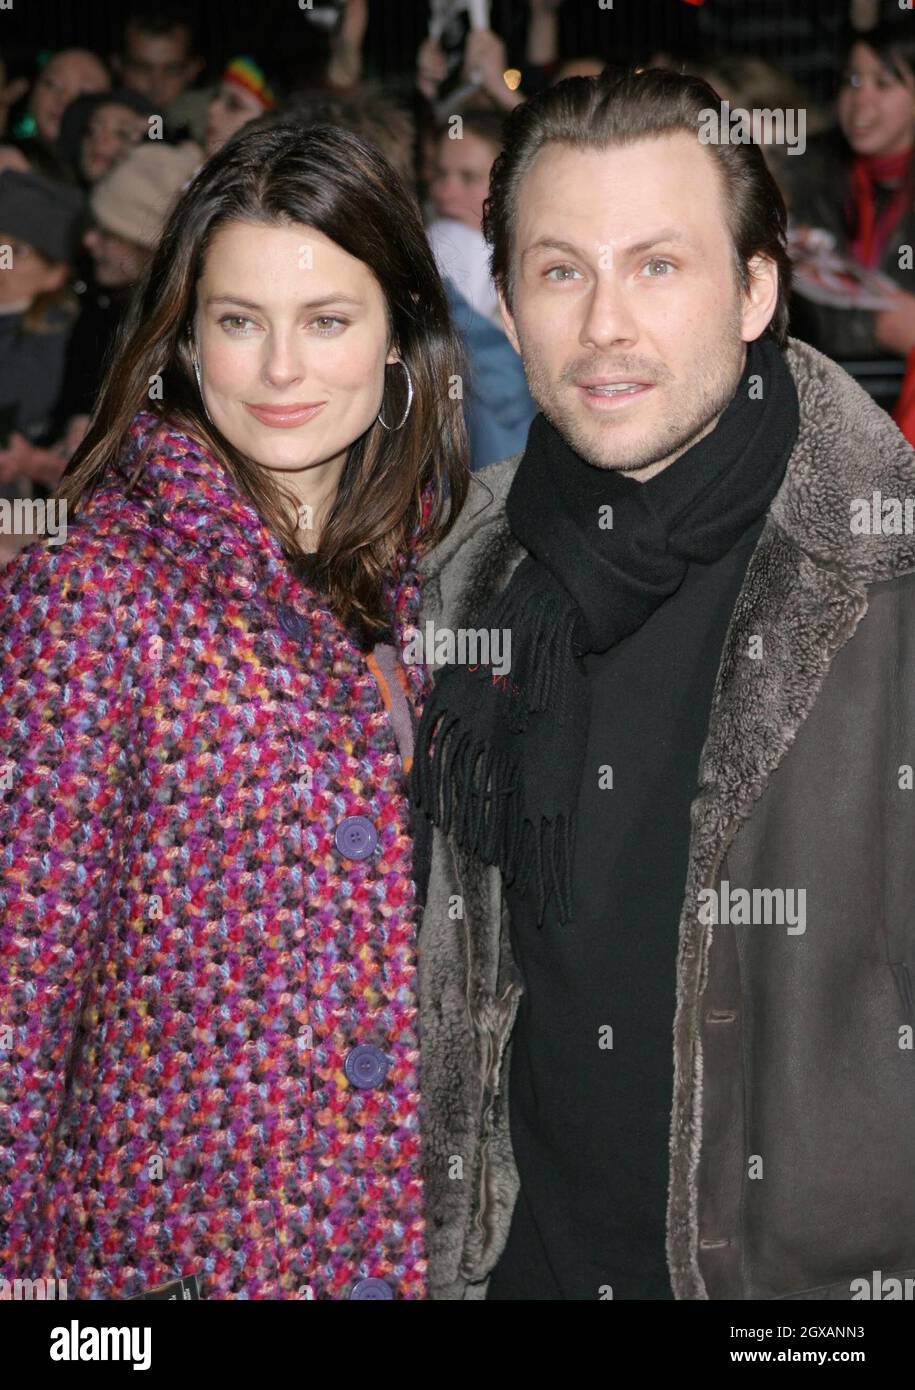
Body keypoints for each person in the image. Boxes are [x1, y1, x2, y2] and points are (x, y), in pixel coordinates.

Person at [410, 65, 915, 1300]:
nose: (604, 326)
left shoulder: (884, 580)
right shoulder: (468, 577)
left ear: (755, 290)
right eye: (560, 269)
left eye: (657, 264)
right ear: (509, 305)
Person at [0, 118, 468, 1299]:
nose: (280, 372)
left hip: (401, 1239)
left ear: (400, 339)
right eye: (239, 321)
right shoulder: (95, 591)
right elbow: (16, 998)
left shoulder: (434, 579)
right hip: (170, 1265)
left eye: (327, 321)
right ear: (187, 340)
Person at [788, 24, 915, 362]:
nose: (860, 100)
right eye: (853, 81)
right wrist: (879, 325)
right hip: (834, 383)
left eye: (883, 83)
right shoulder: (808, 178)